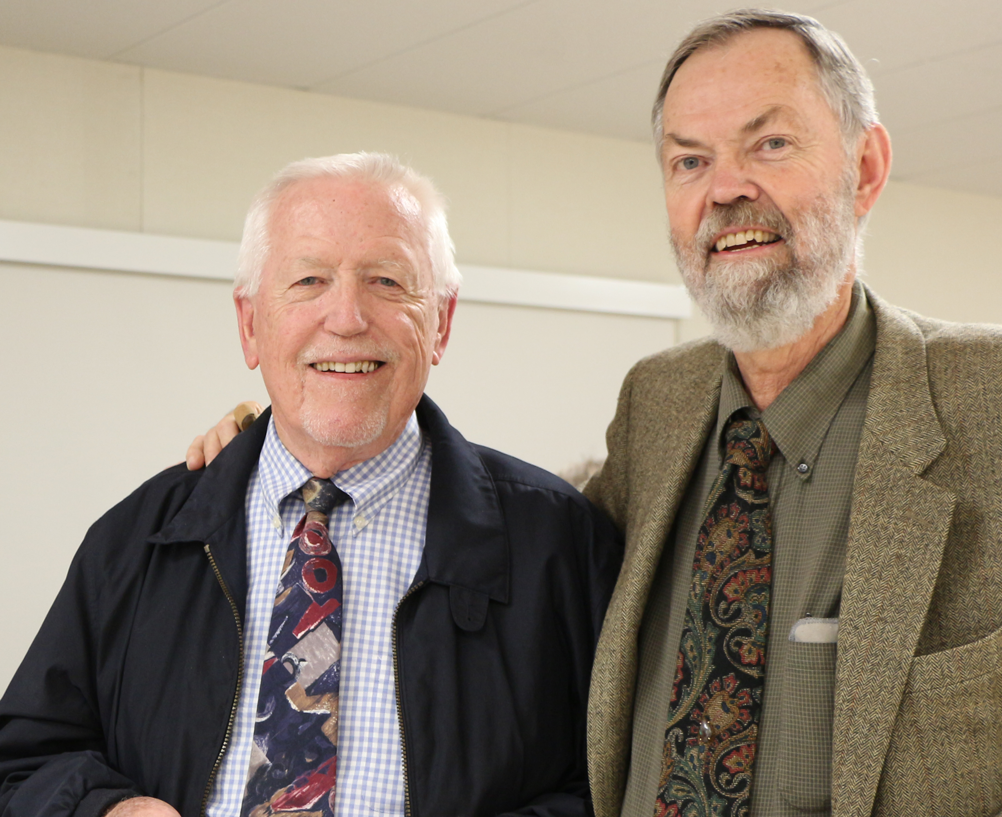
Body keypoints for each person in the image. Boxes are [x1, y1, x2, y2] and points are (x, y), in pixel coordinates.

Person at [184, 11, 1002, 817]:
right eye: (689, 160)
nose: (726, 188)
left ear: (865, 168)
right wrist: (284, 452)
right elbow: (510, 530)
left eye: (770, 144)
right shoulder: (658, 407)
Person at [0, 152, 621, 817]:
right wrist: (105, 810)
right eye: (309, 280)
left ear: (441, 321)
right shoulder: (135, 542)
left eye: (387, 280)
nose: (348, 316)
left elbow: (622, 782)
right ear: (249, 324)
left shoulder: (559, 542)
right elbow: (26, 760)